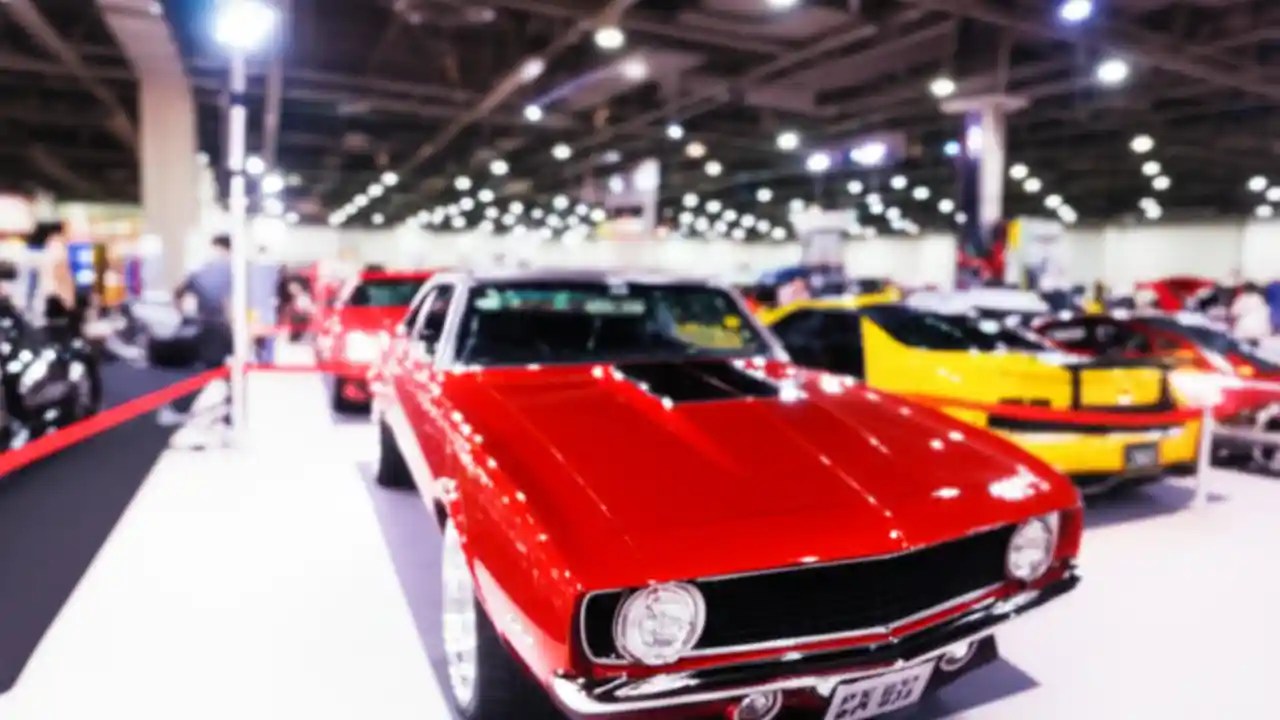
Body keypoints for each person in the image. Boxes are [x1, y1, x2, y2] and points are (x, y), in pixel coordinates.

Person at [175, 234, 233, 368]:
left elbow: (179, 290)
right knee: (226, 366)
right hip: (225, 324)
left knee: (209, 363)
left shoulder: (202, 269)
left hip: (205, 322)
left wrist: (180, 311)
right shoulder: (235, 270)